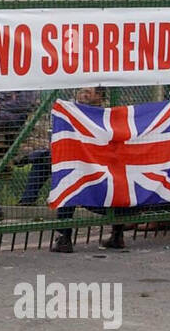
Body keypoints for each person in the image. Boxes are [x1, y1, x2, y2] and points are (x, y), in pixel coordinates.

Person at [47, 87, 118, 253]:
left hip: (103, 170)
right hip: (83, 167)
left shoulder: (107, 114)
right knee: (68, 181)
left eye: (88, 91)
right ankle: (64, 237)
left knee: (71, 188)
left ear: (100, 96)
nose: (84, 94)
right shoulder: (73, 113)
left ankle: (117, 234)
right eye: (81, 91)